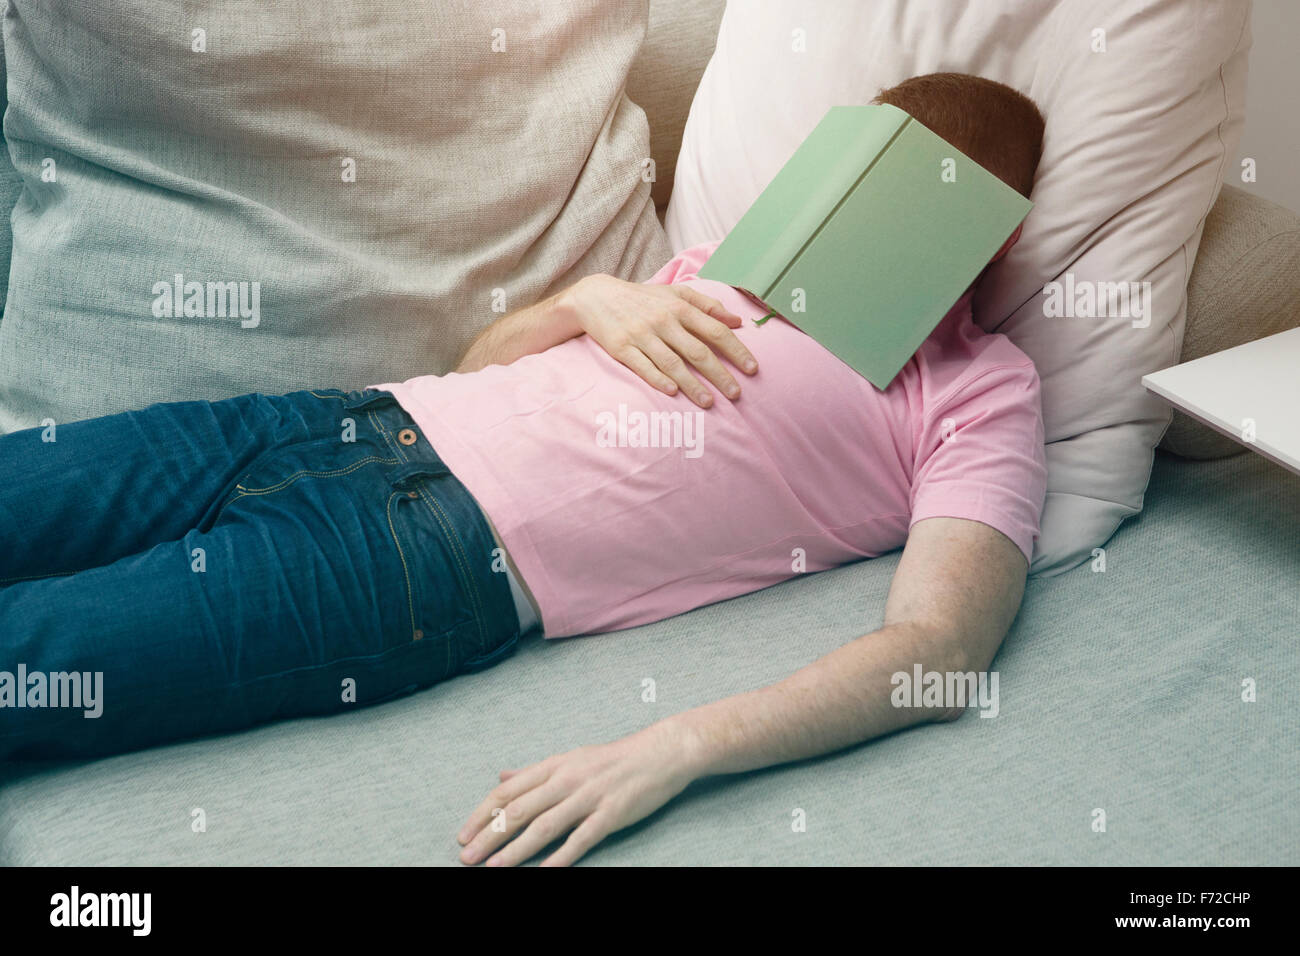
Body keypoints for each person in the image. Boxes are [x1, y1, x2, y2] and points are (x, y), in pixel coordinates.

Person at [0, 73, 1047, 866]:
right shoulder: (734, 263)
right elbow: (474, 371)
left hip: (413, 560)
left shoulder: (974, 391)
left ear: (977, 242)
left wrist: (672, 748)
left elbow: (939, 648)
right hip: (346, 414)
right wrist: (583, 300)